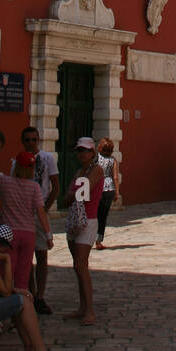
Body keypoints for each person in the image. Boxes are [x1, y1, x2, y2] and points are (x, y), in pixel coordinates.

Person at [0, 152, 54, 294]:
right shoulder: (34, 187)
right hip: (28, 233)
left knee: (5, 268)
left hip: (8, 232)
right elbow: (41, 212)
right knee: (24, 272)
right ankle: (22, 302)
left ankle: (2, 299)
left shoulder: (4, 181)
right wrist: (48, 235)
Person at [10, 126, 59, 313]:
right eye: (27, 140)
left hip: (39, 213)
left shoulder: (47, 158)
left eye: (34, 139)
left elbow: (55, 186)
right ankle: (30, 291)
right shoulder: (17, 161)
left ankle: (40, 296)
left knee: (42, 255)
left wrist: (45, 209)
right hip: (23, 214)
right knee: (25, 257)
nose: (31, 143)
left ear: (38, 140)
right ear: (23, 141)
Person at [63, 137, 104, 324]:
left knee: (81, 265)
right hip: (75, 219)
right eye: (79, 150)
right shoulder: (79, 171)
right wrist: (73, 195)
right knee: (77, 266)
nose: (81, 153)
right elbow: (66, 198)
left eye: (85, 150)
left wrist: (73, 195)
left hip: (88, 220)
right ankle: (82, 307)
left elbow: (82, 193)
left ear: (92, 153)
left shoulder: (97, 170)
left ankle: (90, 311)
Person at [95, 139, 119, 249]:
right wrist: (117, 192)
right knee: (103, 216)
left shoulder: (96, 158)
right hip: (109, 188)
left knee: (94, 214)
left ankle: (89, 238)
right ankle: (98, 241)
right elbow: (115, 177)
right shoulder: (113, 160)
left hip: (98, 187)